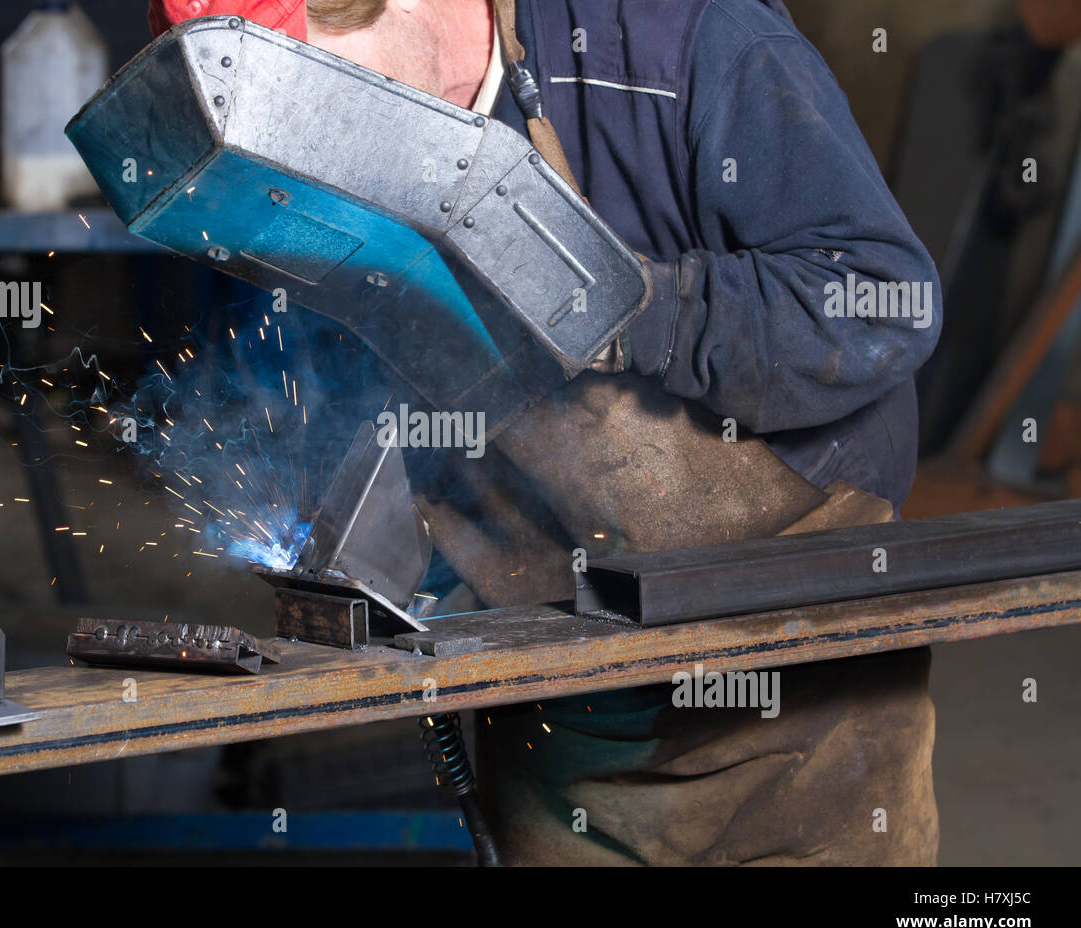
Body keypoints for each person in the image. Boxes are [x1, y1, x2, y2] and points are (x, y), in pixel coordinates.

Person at [147, 0, 943, 865]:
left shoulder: (688, 38)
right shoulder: (347, 161)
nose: (323, 166)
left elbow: (883, 299)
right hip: (556, 695)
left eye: (325, 102)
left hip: (792, 681)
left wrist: (628, 308)